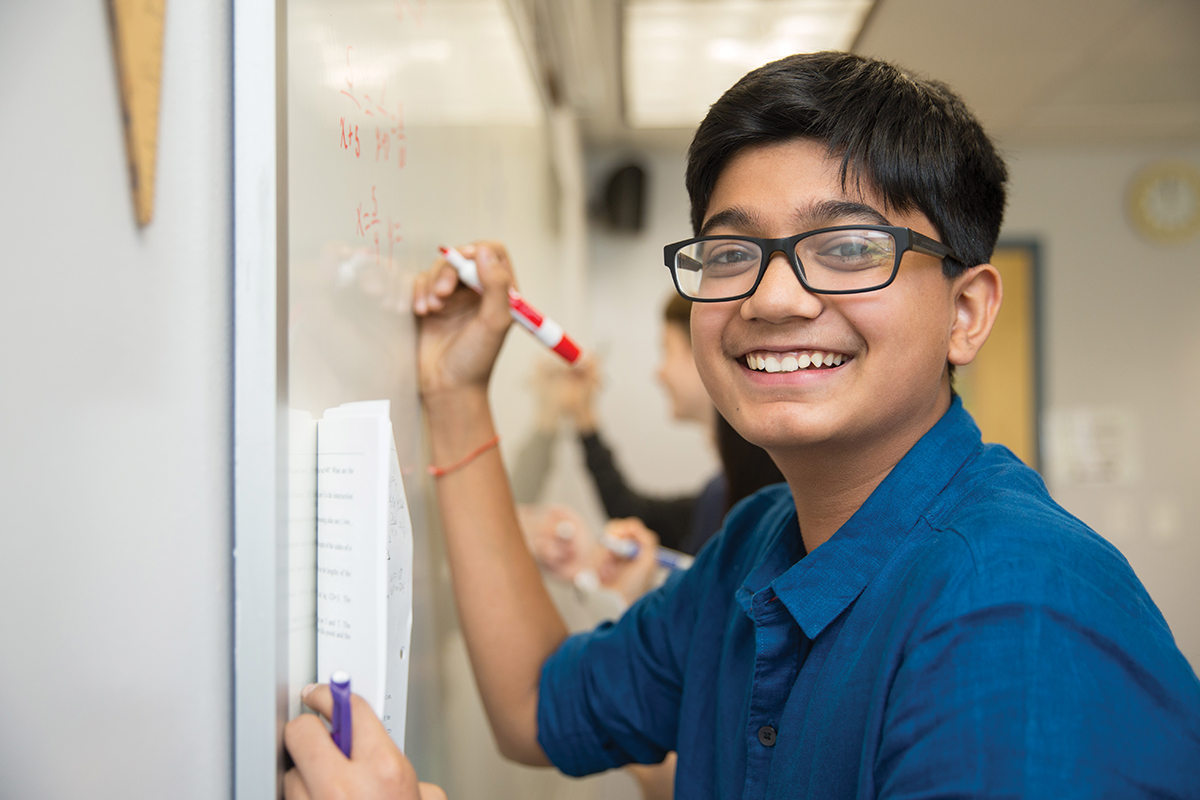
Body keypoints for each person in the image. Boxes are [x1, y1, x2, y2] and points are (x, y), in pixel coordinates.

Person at [289, 50, 1200, 798]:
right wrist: (453, 393)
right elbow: (537, 705)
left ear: (967, 311)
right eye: (731, 252)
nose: (771, 297)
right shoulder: (760, 544)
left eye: (846, 247)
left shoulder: (1015, 607)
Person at [513, 295, 784, 555]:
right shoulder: (723, 496)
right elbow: (635, 513)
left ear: (705, 351)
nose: (659, 372)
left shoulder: (753, 496)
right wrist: (581, 417)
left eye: (667, 349)